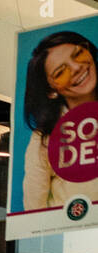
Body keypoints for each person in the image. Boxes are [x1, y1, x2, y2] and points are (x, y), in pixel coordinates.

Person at [21, 31, 98, 210]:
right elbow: (33, 211)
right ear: (51, 91)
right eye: (61, 72)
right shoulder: (44, 140)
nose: (77, 67)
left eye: (78, 54)